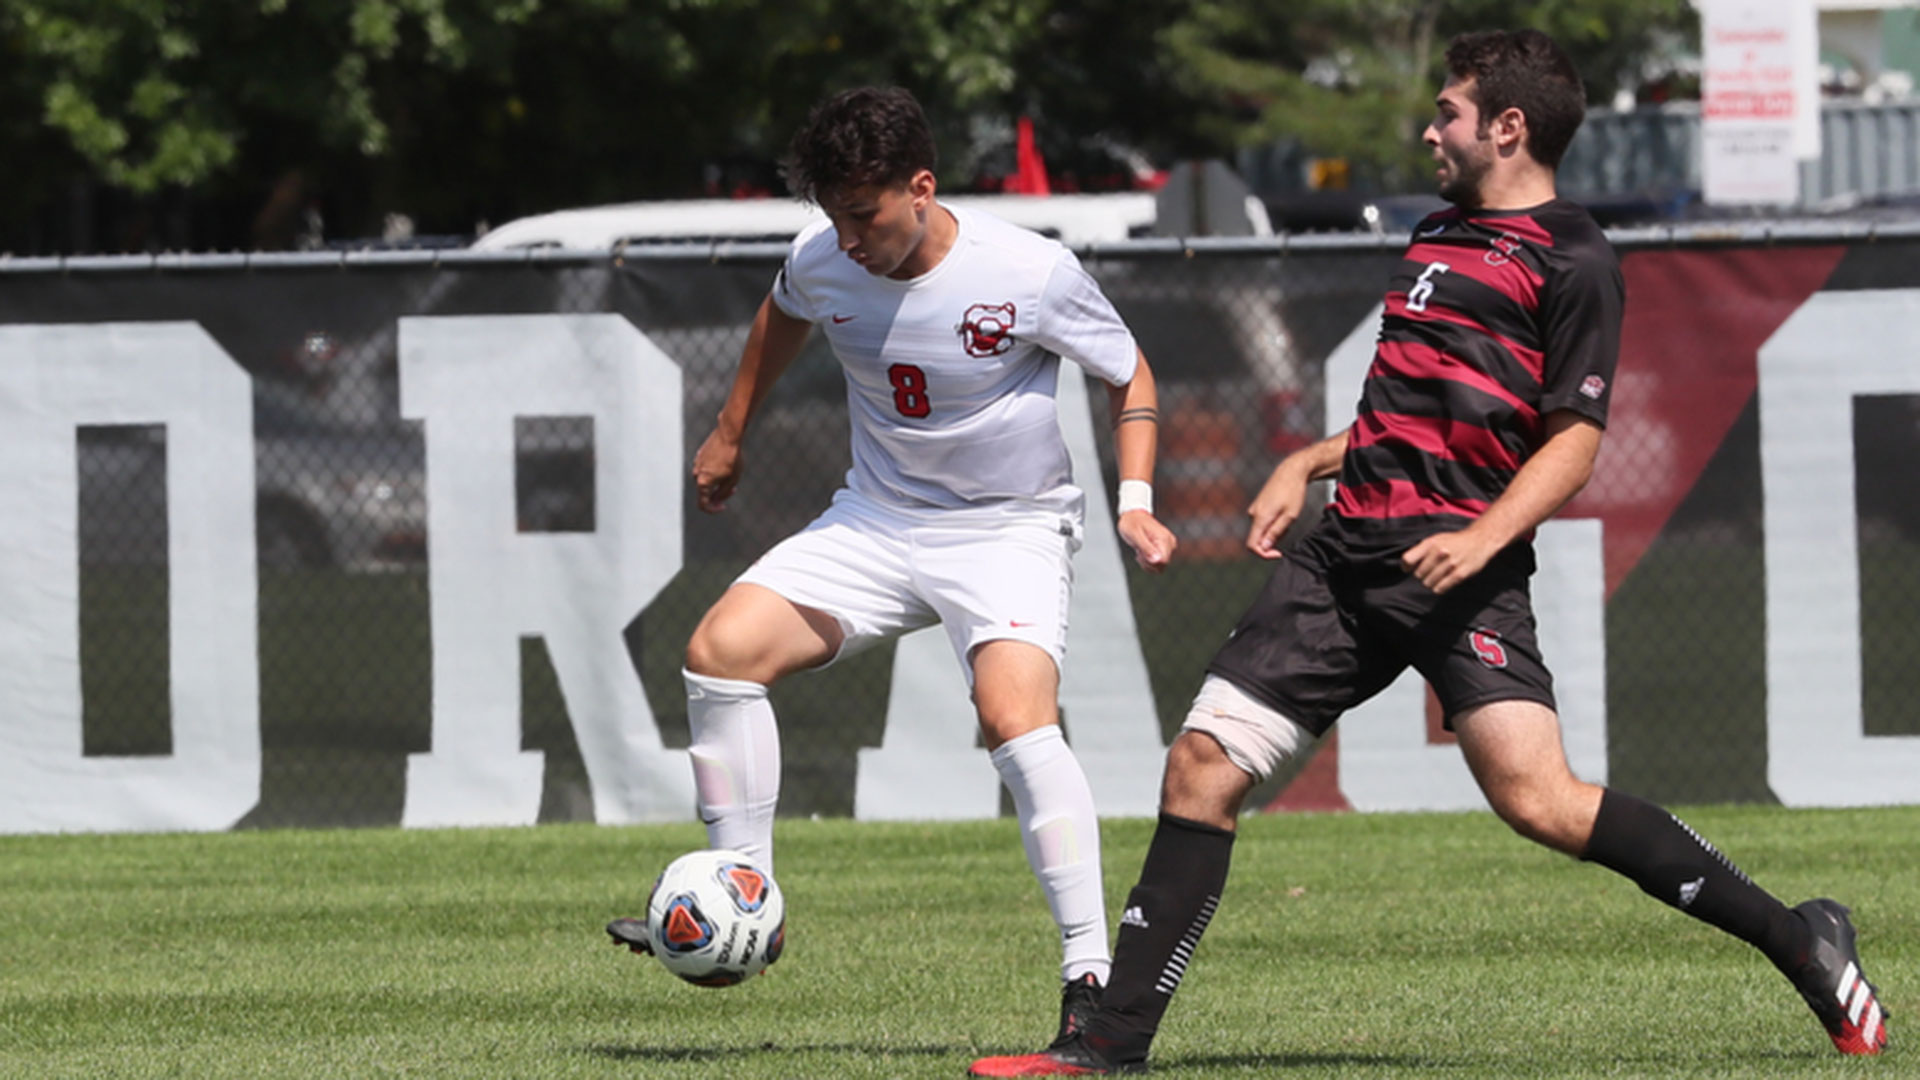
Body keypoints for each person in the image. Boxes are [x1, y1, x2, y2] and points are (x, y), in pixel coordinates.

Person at [968, 29, 1888, 1077]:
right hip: (1341, 563)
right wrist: (1311, 461)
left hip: (1462, 575)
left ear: (1508, 126)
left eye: (1446, 111)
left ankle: (1801, 938)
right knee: (1202, 767)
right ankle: (1106, 1046)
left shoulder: (1575, 257)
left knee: (1540, 801)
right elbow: (1413, 414)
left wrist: (1484, 537)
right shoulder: (1435, 234)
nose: (1428, 129)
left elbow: (1576, 442)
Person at [606, 86, 1177, 1047]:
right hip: (877, 521)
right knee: (719, 650)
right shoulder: (825, 258)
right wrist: (730, 430)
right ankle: (750, 893)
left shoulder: (1029, 272)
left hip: (1008, 531)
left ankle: (1090, 974)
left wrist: (1135, 502)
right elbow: (782, 312)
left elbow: (1129, 371)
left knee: (1013, 718)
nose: (850, 239)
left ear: (922, 186)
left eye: (865, 215)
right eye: (834, 218)